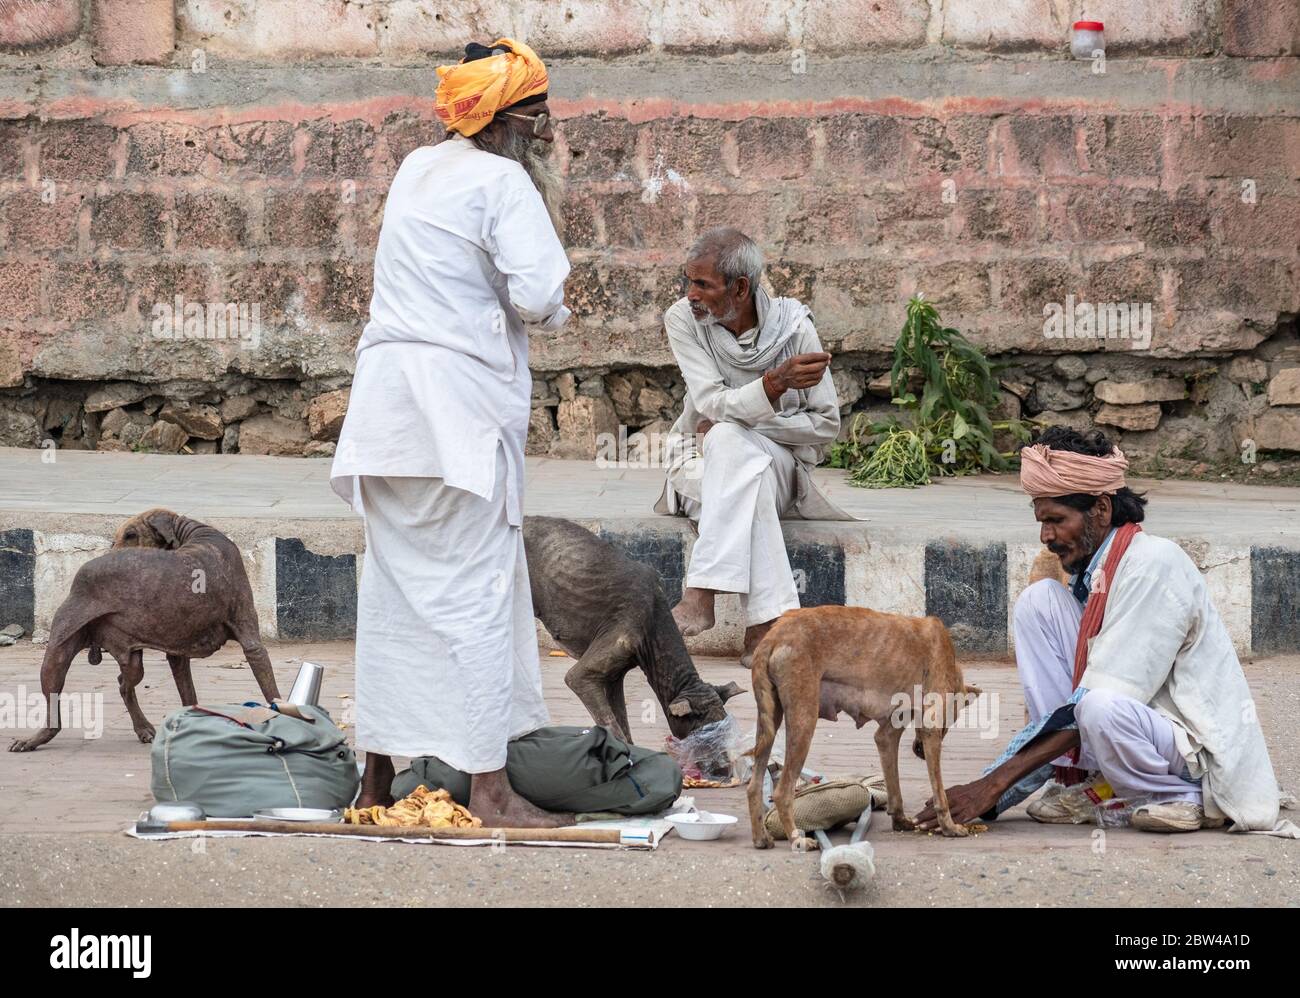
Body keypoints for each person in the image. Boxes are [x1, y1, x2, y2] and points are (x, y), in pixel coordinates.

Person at [330, 38, 571, 827]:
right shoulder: (503, 182)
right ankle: (493, 793)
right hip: (455, 417)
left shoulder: (414, 169)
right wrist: (539, 306)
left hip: (385, 413)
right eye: (536, 117)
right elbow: (537, 295)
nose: (542, 132)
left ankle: (374, 780)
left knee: (393, 593)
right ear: (503, 119)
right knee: (475, 593)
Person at [916, 427, 1296, 837]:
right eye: (1042, 522)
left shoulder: (1152, 564)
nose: (1046, 537)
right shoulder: (1100, 568)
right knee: (1038, 602)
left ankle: (1177, 797)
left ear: (1100, 509)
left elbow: (1087, 704)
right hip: (1143, 721)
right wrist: (988, 790)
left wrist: (992, 787)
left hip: (1194, 751)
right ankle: (1083, 783)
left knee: (1098, 707)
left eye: (1057, 521)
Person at [654, 227, 852, 663]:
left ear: (739, 288)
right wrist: (773, 387)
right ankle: (766, 626)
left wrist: (748, 425)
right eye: (688, 281)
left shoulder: (794, 329)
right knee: (736, 458)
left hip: (779, 463)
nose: (690, 293)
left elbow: (825, 425)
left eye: (702, 284)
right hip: (697, 461)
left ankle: (701, 591)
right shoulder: (683, 320)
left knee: (727, 437)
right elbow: (708, 402)